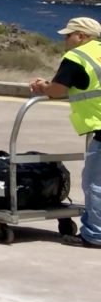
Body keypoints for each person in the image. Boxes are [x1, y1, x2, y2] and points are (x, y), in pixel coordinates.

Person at [29, 15, 101, 248]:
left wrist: (42, 87)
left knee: (94, 184)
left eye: (68, 35)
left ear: (81, 36)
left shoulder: (76, 56)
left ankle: (94, 235)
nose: (65, 40)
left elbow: (58, 89)